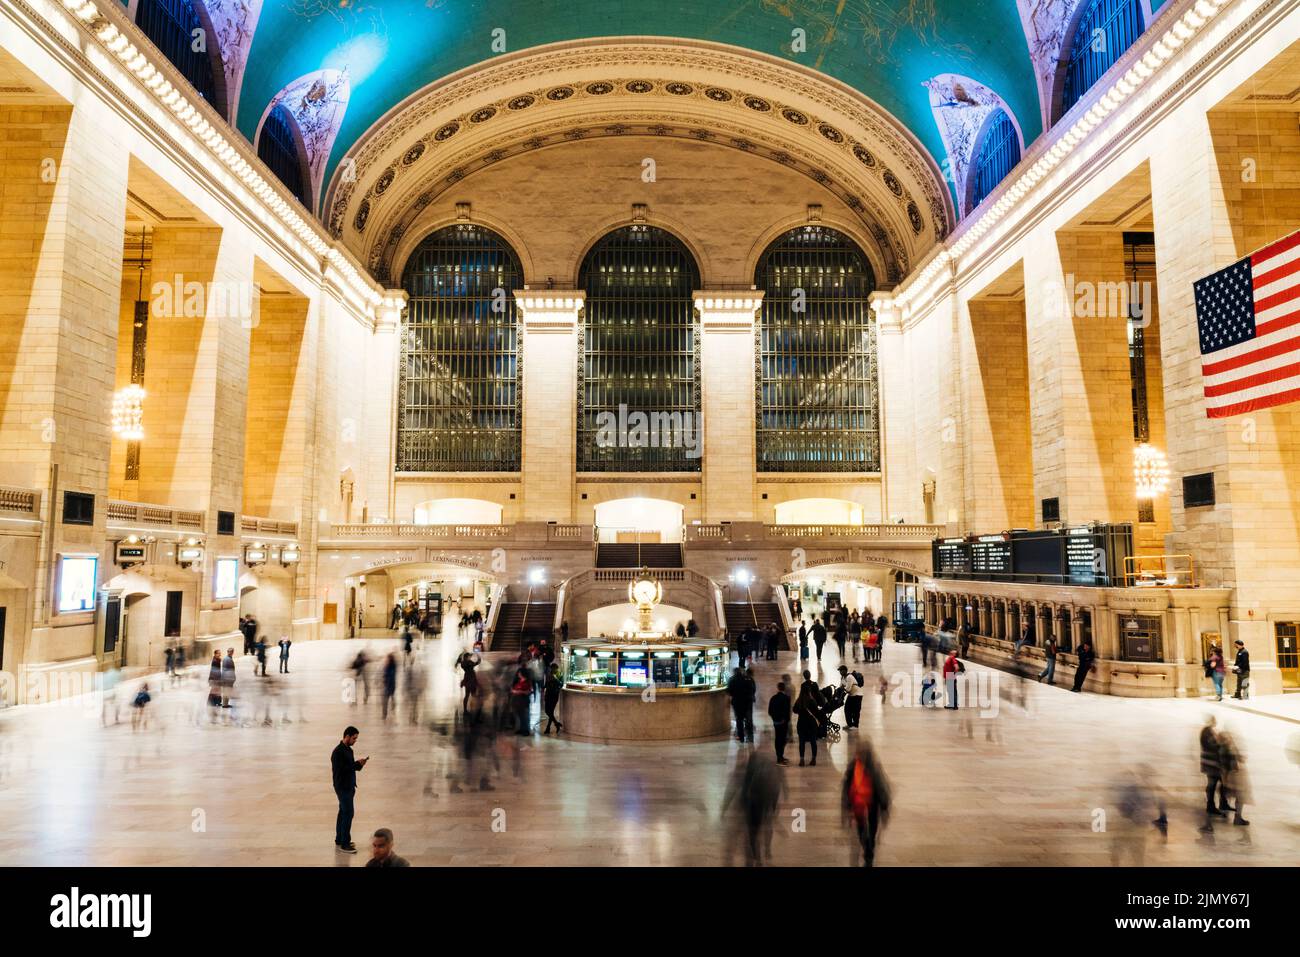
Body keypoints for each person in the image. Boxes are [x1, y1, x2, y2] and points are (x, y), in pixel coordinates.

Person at [842, 741, 891, 866]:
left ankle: (870, 846)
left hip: (872, 803)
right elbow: (846, 785)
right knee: (862, 828)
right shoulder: (854, 765)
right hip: (858, 804)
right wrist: (846, 804)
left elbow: (882, 787)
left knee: (872, 828)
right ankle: (867, 847)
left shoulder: (874, 767)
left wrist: (884, 805)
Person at [331, 726, 369, 853]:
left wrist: (360, 765)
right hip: (342, 787)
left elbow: (351, 767)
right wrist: (356, 764)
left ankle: (340, 839)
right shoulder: (337, 752)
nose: (355, 741)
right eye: (354, 738)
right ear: (347, 736)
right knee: (348, 813)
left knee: (343, 812)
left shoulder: (348, 750)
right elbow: (342, 770)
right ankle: (345, 844)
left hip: (349, 786)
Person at [794, 673, 823, 767]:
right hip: (811, 724)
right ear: (809, 691)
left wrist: (800, 712)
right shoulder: (812, 701)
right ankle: (813, 759)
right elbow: (817, 712)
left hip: (801, 723)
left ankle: (802, 760)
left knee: (801, 742)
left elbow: (794, 710)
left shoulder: (799, 701)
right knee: (813, 741)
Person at [727, 667, 755, 744]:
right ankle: (750, 737)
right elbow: (752, 689)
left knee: (739, 720)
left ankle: (741, 737)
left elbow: (729, 691)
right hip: (747, 702)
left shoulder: (731, 680)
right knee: (748, 720)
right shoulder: (747, 679)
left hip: (737, 703)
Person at [767, 681, 791, 765]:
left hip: (776, 722)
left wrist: (774, 719)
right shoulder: (786, 698)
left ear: (778, 688)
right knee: (783, 739)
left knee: (778, 739)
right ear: (784, 688)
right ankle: (780, 757)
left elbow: (769, 711)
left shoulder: (773, 698)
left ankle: (779, 756)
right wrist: (785, 720)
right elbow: (787, 712)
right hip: (783, 723)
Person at [542, 662, 564, 734]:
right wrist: (543, 688)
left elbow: (561, 684)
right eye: (552, 669)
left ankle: (548, 728)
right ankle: (557, 724)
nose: (553, 670)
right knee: (547, 711)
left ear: (557, 669)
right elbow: (546, 684)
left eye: (554, 669)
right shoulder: (549, 674)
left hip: (554, 695)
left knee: (550, 711)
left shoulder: (560, 675)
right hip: (548, 694)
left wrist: (555, 679)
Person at [510, 668, 533, 735]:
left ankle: (526, 730)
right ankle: (520, 729)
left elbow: (529, 691)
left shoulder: (527, 682)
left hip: (523, 702)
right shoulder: (518, 681)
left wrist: (519, 692)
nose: (518, 674)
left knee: (524, 716)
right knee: (519, 716)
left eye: (519, 673)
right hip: (517, 702)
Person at [381, 653, 398, 721]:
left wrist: (386, 683)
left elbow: (390, 677)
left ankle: (385, 714)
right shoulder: (388, 666)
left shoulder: (391, 667)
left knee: (385, 701)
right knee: (386, 701)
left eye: (387, 658)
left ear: (390, 659)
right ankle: (385, 714)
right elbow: (385, 676)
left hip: (389, 686)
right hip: (389, 686)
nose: (386, 659)